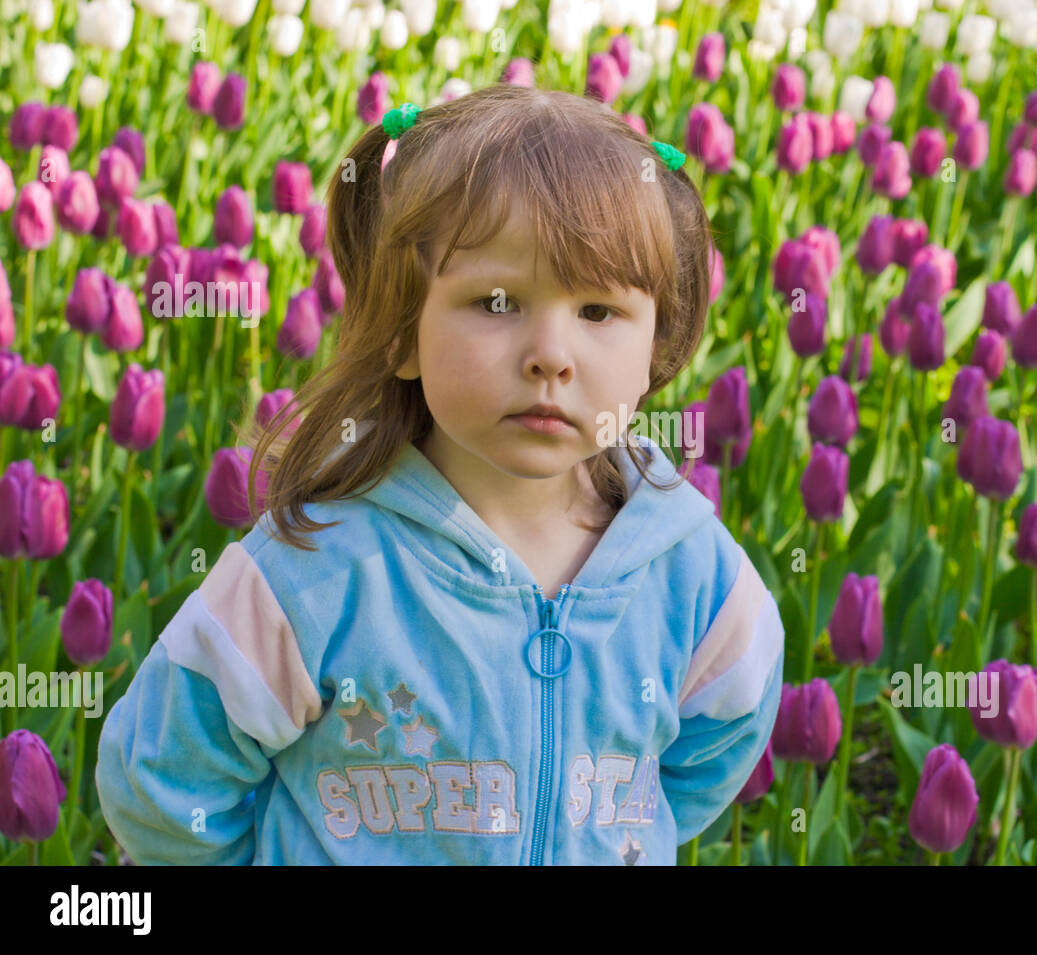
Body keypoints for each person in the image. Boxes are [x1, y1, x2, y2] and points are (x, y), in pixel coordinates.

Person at [95, 83, 785, 865]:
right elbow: (159, 783)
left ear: (656, 343)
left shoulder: (691, 574)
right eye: (496, 300)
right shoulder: (317, 570)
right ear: (402, 333)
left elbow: (711, 749)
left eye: (597, 311)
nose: (551, 353)